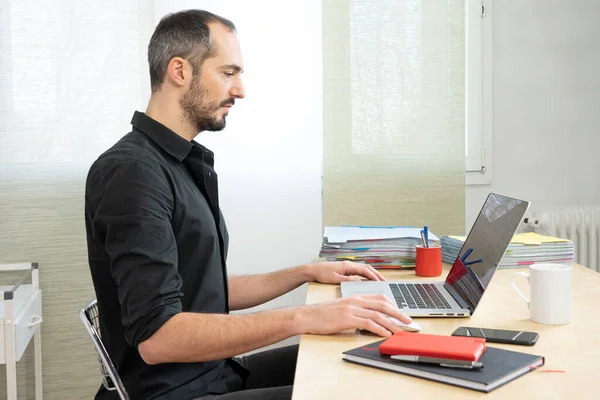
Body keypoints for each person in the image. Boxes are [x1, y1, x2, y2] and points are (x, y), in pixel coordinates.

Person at [84, 9, 411, 400]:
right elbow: (158, 339)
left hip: (214, 373)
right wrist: (301, 317)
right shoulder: (134, 174)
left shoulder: (176, 163)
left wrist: (304, 273)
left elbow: (203, 288)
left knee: (360, 354)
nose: (240, 90)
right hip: (176, 392)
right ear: (179, 71)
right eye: (228, 73)